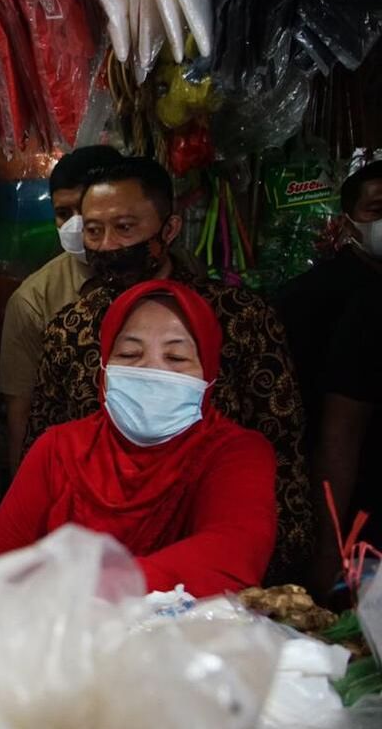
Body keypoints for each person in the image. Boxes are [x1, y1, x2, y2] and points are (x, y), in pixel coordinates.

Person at [24, 157, 312, 581]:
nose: (108, 245)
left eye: (125, 228)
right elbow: (44, 432)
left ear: (170, 229)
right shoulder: (70, 328)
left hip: (215, 561)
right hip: (91, 567)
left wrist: (271, 564)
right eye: (94, 231)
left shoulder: (239, 317)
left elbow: (281, 441)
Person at [0, 280, 277, 597]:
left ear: (209, 374)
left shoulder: (236, 453)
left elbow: (232, 554)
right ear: (104, 367)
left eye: (176, 357)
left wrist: (92, 586)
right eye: (130, 353)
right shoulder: (59, 448)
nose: (152, 369)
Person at [275, 161, 382, 590]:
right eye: (377, 209)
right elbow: (341, 432)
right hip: (353, 504)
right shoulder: (316, 298)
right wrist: (327, 551)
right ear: (348, 222)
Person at [0, 146, 123, 471]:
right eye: (63, 213)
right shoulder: (33, 301)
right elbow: (21, 414)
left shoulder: (178, 276)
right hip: (76, 471)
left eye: (84, 209)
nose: (76, 224)